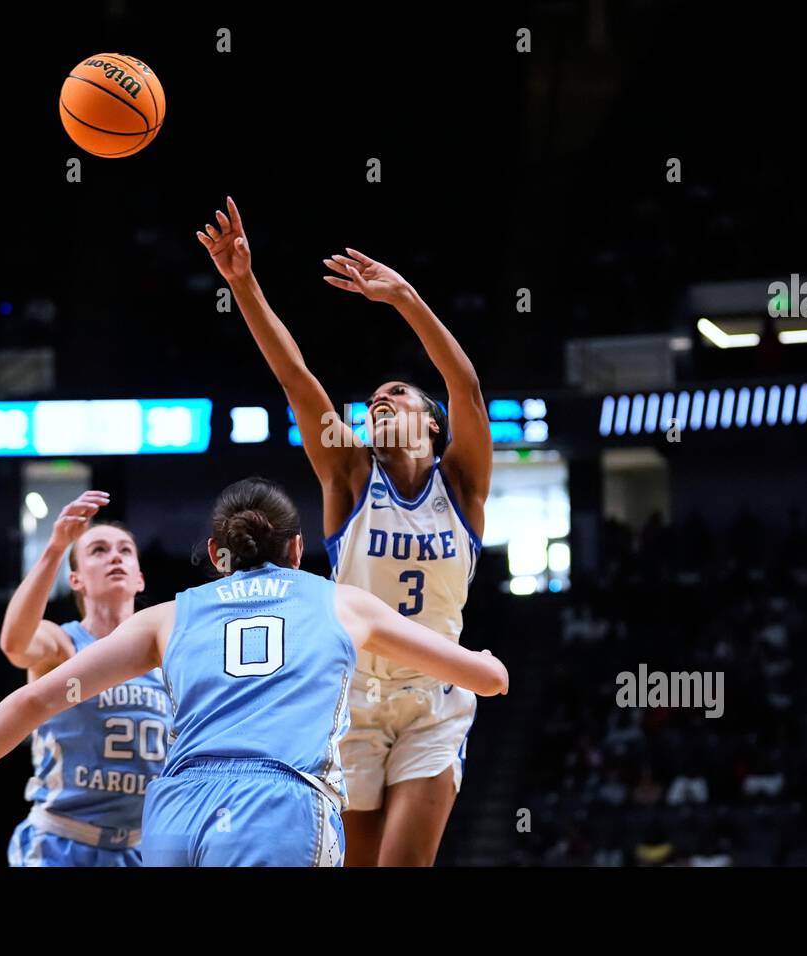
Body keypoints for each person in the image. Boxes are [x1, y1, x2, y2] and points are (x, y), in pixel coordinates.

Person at [0, 477, 508, 867]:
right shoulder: (340, 599)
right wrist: (487, 664)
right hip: (275, 802)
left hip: (173, 812)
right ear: (295, 550)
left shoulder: (167, 618)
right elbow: (484, 680)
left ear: (214, 556)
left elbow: (31, 704)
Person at [198, 197, 493, 866]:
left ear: (432, 422)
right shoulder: (349, 477)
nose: (379, 401)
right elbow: (296, 379)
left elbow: (467, 387)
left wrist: (406, 299)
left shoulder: (464, 485)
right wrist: (243, 283)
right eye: (372, 401)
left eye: (396, 394)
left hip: (431, 696)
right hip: (351, 697)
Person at [0, 490, 171, 866]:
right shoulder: (62, 645)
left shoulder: (166, 654)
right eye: (99, 550)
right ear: (75, 580)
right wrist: (55, 548)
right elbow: (14, 643)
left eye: (125, 550)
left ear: (140, 578)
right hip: (62, 844)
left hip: (142, 848)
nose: (115, 557)